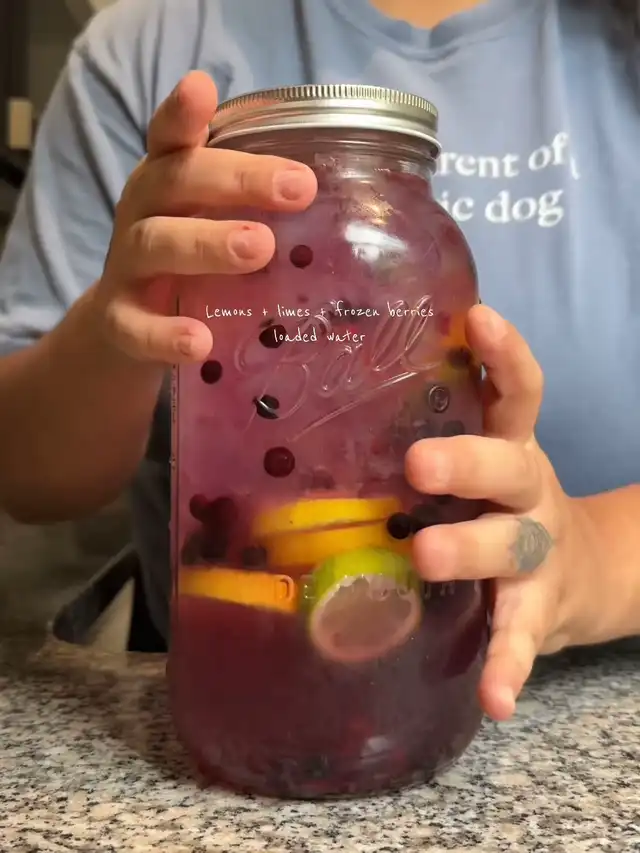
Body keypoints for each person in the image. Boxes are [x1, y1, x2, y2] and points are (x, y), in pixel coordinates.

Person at [1, 0, 639, 722]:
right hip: (234, 671)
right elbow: (27, 477)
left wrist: (594, 557)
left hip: (589, 695)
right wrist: (116, 324)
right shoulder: (149, 44)